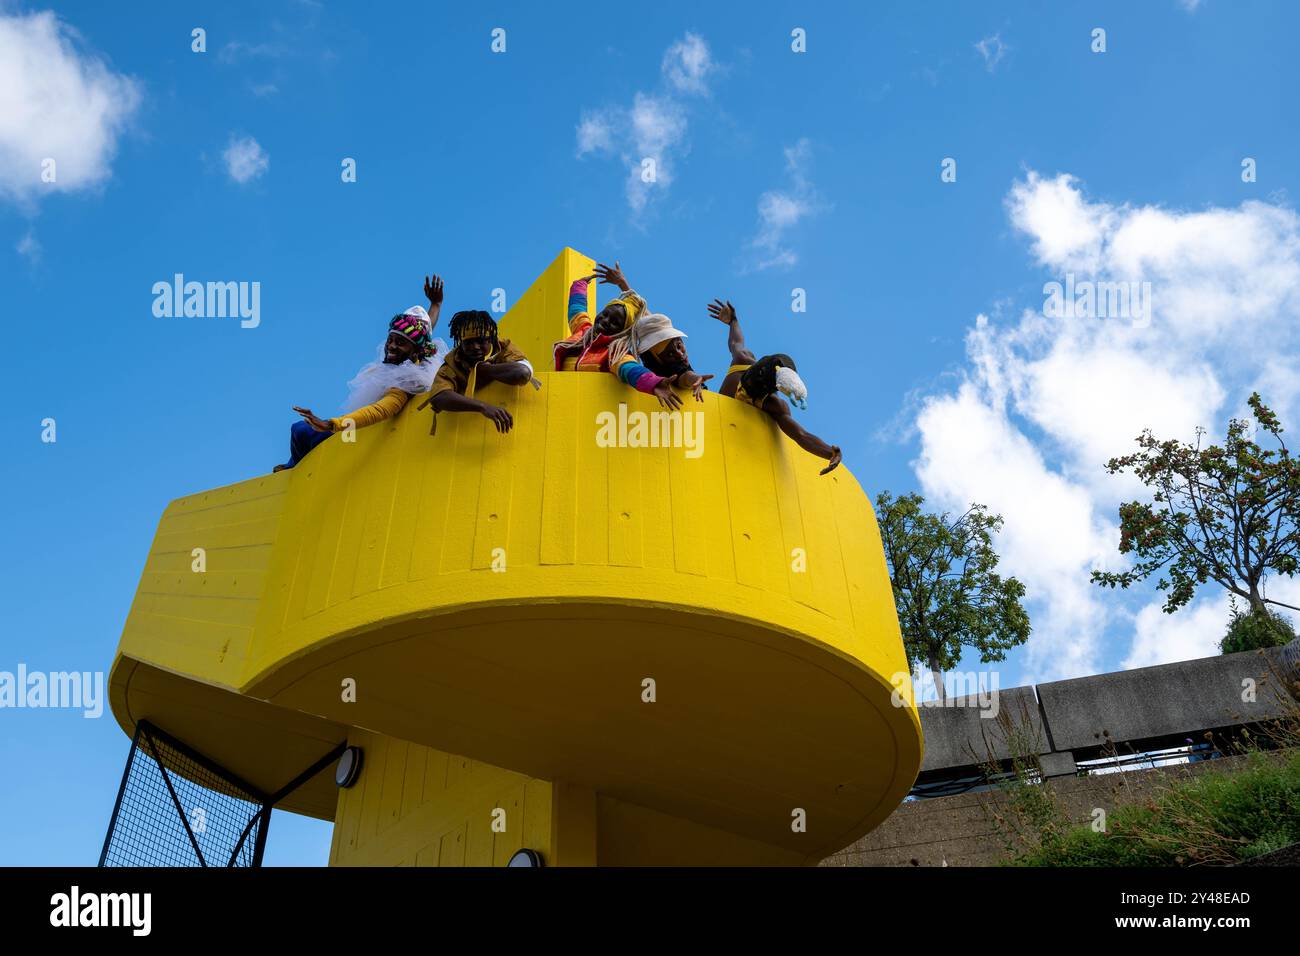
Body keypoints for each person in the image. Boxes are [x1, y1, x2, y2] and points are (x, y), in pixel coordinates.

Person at [276, 274, 448, 472]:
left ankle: (294, 468)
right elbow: (426, 329)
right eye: (390, 340)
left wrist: (331, 423)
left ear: (416, 350)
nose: (391, 346)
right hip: (355, 430)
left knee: (299, 430)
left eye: (400, 343)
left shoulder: (408, 380)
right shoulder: (417, 352)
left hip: (358, 435)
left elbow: (382, 409)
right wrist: (436, 304)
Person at [708, 298, 842, 475]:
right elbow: (736, 343)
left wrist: (829, 453)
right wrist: (733, 321)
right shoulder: (743, 360)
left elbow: (800, 435)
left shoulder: (774, 404)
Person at [553, 261, 686, 409]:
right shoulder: (583, 331)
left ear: (621, 331)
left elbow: (629, 369)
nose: (605, 321)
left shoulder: (615, 352)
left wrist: (654, 384)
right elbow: (577, 310)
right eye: (605, 314)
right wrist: (580, 285)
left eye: (614, 322)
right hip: (559, 397)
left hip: (586, 407)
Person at [419, 308, 536, 434]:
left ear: (491, 339)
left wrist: (484, 369)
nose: (475, 347)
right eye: (468, 343)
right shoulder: (453, 362)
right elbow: (439, 396)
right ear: (460, 343)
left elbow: (522, 373)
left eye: (481, 341)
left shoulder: (503, 348)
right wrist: (483, 407)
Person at [627, 311, 712, 401]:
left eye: (679, 346)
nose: (680, 354)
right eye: (669, 354)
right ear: (656, 361)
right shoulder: (671, 375)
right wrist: (694, 379)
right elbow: (682, 376)